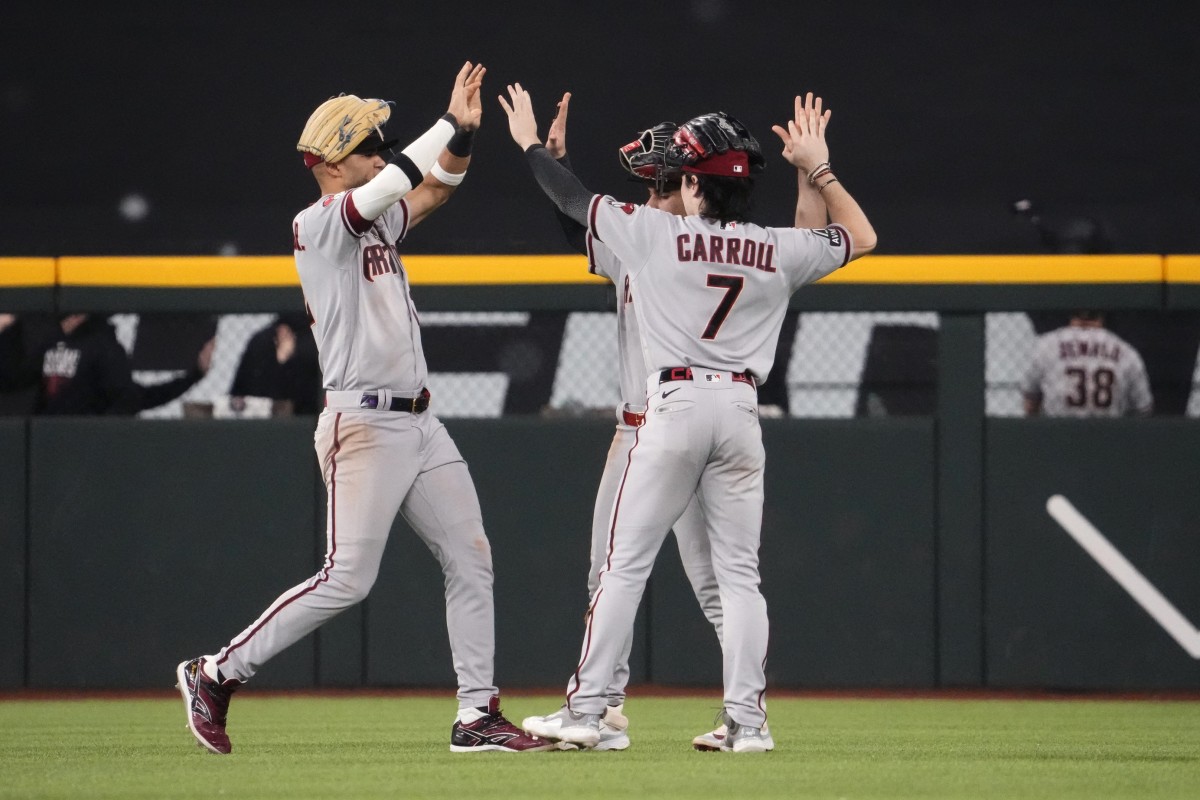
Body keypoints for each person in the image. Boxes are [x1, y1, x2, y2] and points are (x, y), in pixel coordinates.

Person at [176, 62, 552, 756]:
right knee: (347, 577)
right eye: (368, 144)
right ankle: (216, 673)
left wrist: (464, 134)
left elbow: (439, 185)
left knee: (472, 558)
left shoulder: (375, 221)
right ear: (330, 159)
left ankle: (477, 716)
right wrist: (443, 121)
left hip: (419, 421)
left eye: (382, 144)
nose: (380, 152)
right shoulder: (318, 221)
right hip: (364, 421)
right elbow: (395, 180)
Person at [500, 86, 876, 752]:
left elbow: (572, 201)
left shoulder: (654, 235)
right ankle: (748, 724)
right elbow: (856, 236)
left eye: (676, 176)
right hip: (739, 411)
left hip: (670, 409)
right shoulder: (773, 250)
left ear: (694, 187)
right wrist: (813, 167)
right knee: (738, 578)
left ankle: (587, 712)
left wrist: (532, 147)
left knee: (621, 569)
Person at [536, 94, 722, 751]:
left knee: (706, 581)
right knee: (608, 571)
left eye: (660, 175)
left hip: (676, 423)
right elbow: (581, 230)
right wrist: (558, 164)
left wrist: (540, 154)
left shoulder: (683, 240)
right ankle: (603, 705)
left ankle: (737, 711)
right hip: (642, 427)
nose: (651, 182)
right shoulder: (641, 234)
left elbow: (585, 214)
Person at [0, 312, 213, 415]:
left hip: (82, 446)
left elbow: (131, 398)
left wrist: (193, 377)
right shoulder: (54, 339)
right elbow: (14, 380)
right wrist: (8, 333)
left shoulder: (102, 343)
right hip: (47, 443)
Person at [1022, 310, 1153, 417]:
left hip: (1059, 436)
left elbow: (1030, 404)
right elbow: (1143, 409)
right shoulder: (1126, 351)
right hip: (1110, 437)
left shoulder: (1047, 345)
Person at [230, 312, 322, 415]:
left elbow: (238, 396)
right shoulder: (320, 342)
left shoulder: (260, 340)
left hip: (260, 422)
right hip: (311, 422)